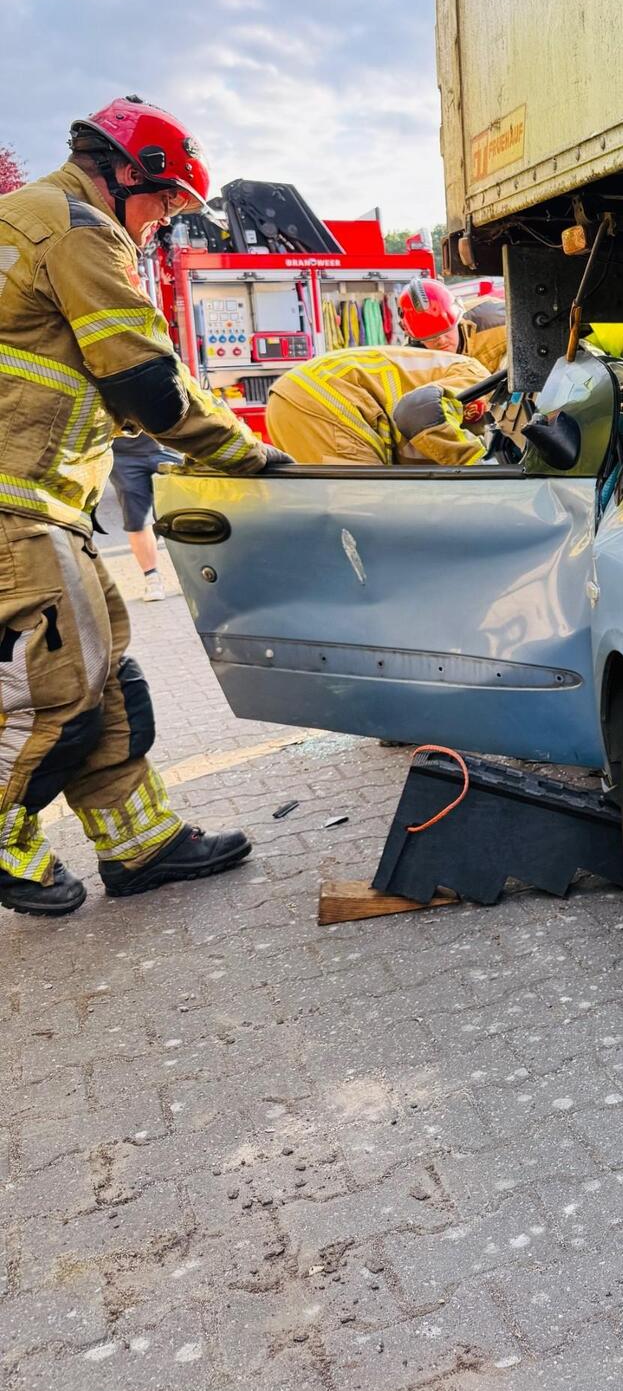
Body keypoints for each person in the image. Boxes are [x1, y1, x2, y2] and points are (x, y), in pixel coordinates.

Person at [0, 97, 290, 918]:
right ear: (128, 170)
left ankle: (141, 845)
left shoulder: (26, 218)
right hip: (17, 506)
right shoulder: (79, 228)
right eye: (166, 203)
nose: (165, 225)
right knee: (59, 687)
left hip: (45, 504)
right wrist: (247, 453)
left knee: (108, 675)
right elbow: (146, 381)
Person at [265, 345, 492, 466]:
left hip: (301, 397)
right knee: (365, 509)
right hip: (325, 399)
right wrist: (477, 467)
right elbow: (420, 412)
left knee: (335, 513)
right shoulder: (478, 379)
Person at [109, 431, 182, 601]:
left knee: (182, 515)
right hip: (124, 456)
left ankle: (189, 577)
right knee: (137, 519)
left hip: (168, 447)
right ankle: (152, 579)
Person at [397, 277, 507, 374]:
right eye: (430, 337)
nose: (441, 341)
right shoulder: (411, 360)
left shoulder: (498, 320)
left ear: (458, 318)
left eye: (445, 331)